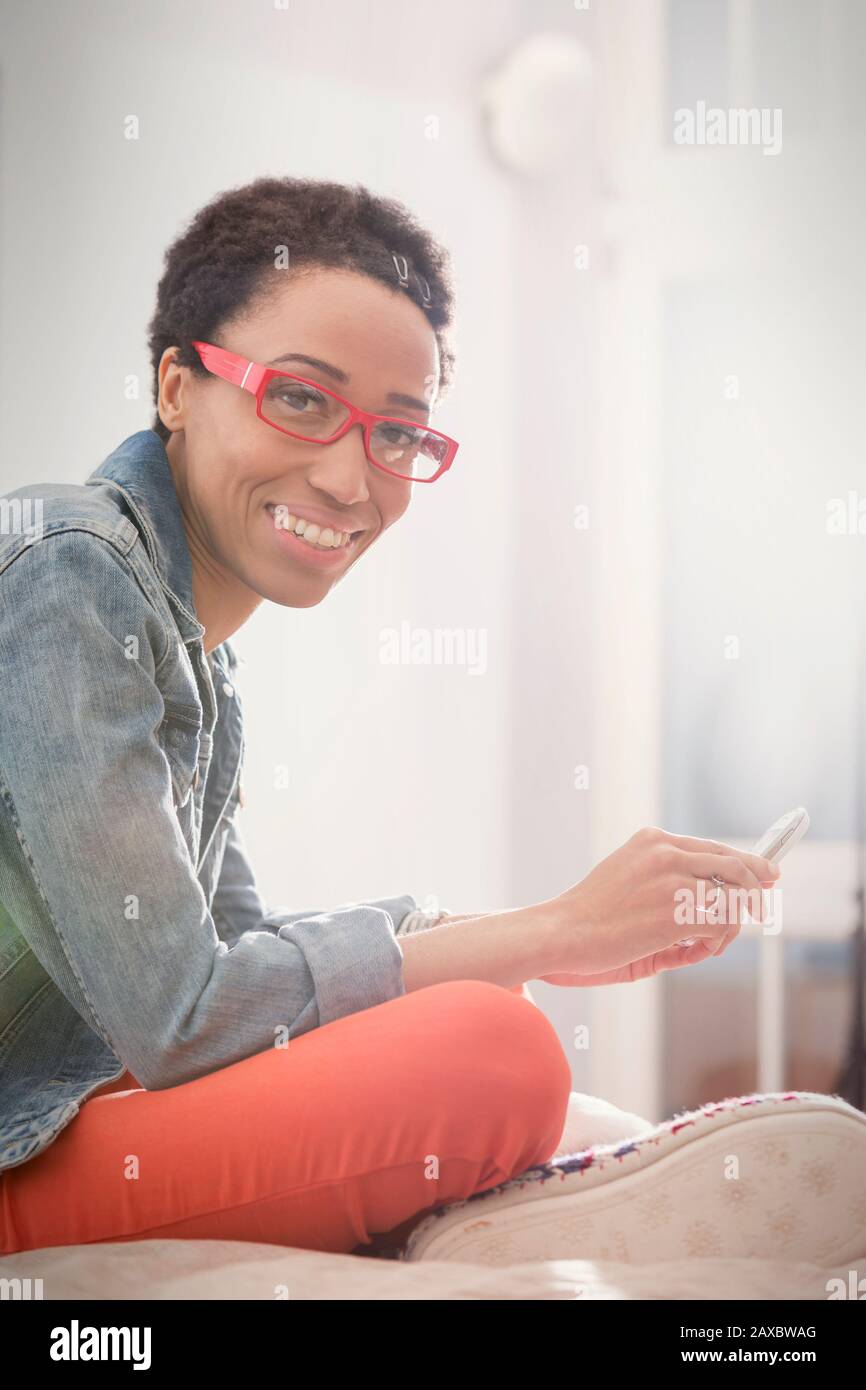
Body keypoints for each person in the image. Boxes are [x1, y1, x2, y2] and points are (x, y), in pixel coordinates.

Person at [0, 176, 780, 1258]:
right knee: (492, 1051)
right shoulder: (74, 574)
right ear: (176, 385)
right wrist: (546, 935)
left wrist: (527, 932)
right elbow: (182, 1019)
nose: (348, 474)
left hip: (62, 1107)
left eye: (398, 434)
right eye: (300, 398)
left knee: (468, 1027)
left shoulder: (199, 673)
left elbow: (232, 967)